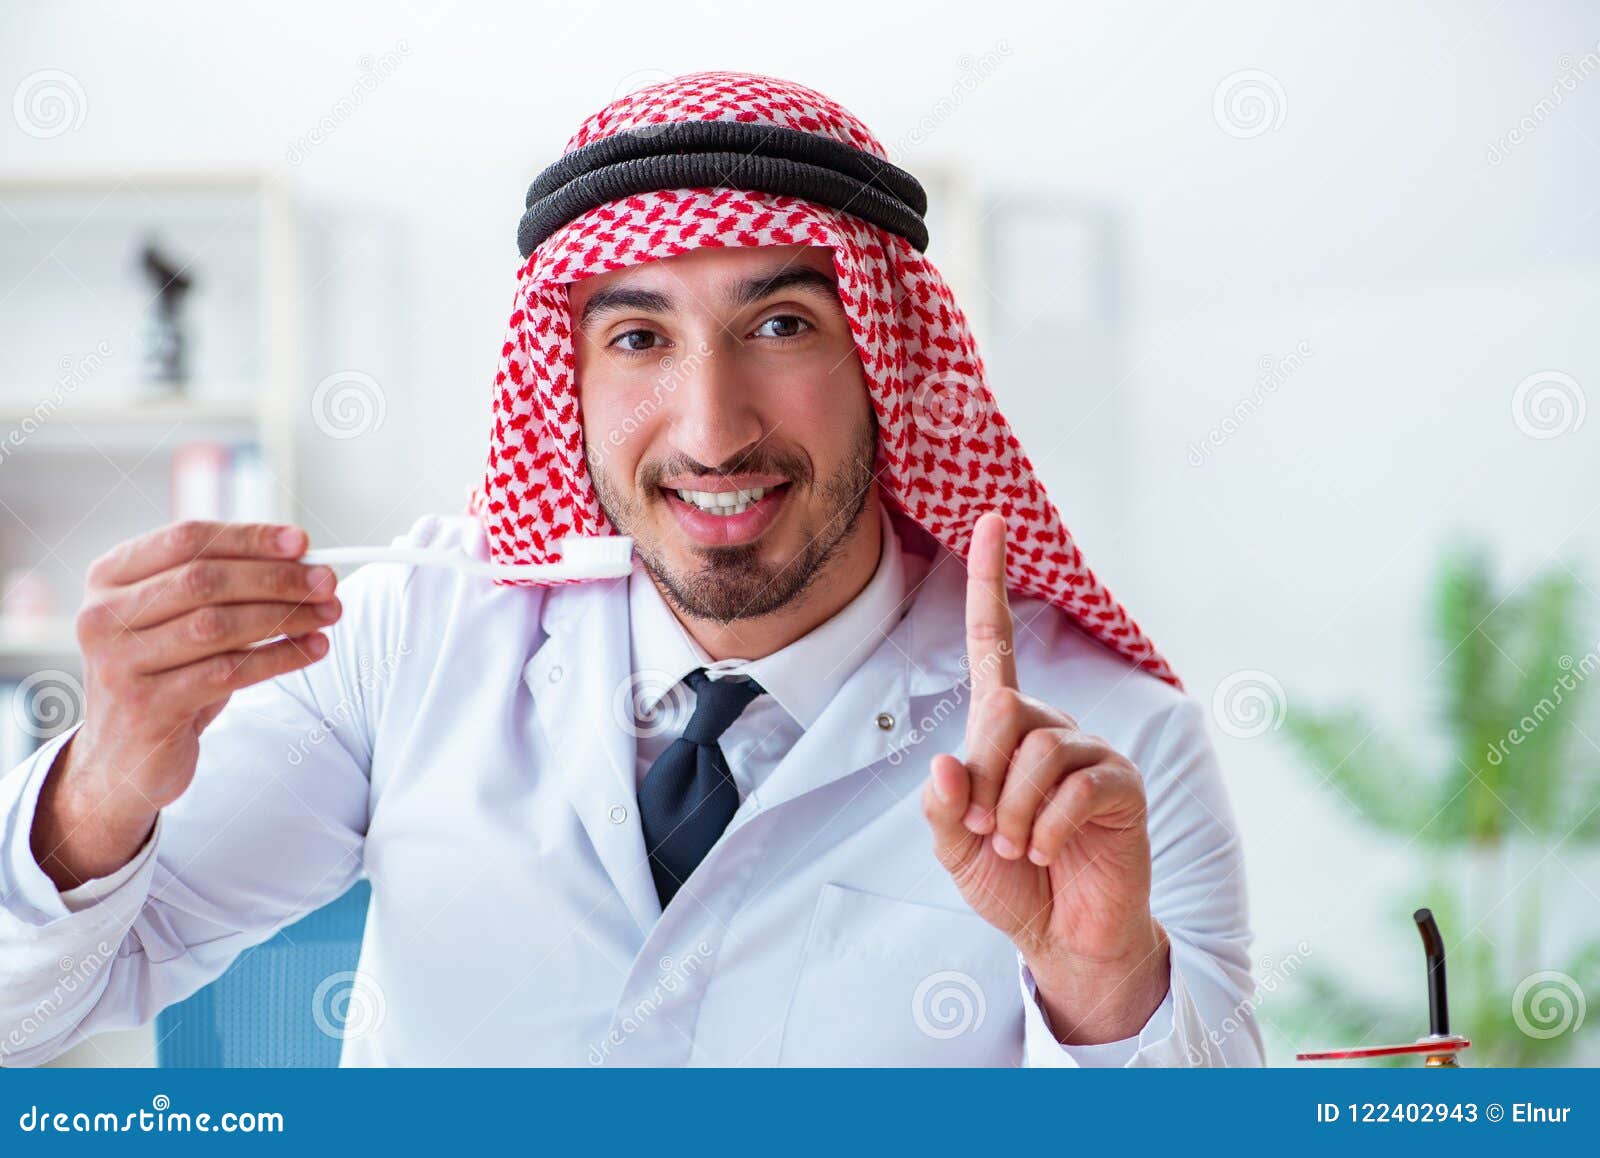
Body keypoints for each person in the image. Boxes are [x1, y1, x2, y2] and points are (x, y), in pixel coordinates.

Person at [0, 71, 1263, 1066]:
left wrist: (1105, 988)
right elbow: (26, 1017)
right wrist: (101, 788)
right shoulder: (402, 642)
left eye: (781, 325)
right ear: (570, 378)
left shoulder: (1105, 749)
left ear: (887, 361)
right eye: (639, 337)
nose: (711, 430)